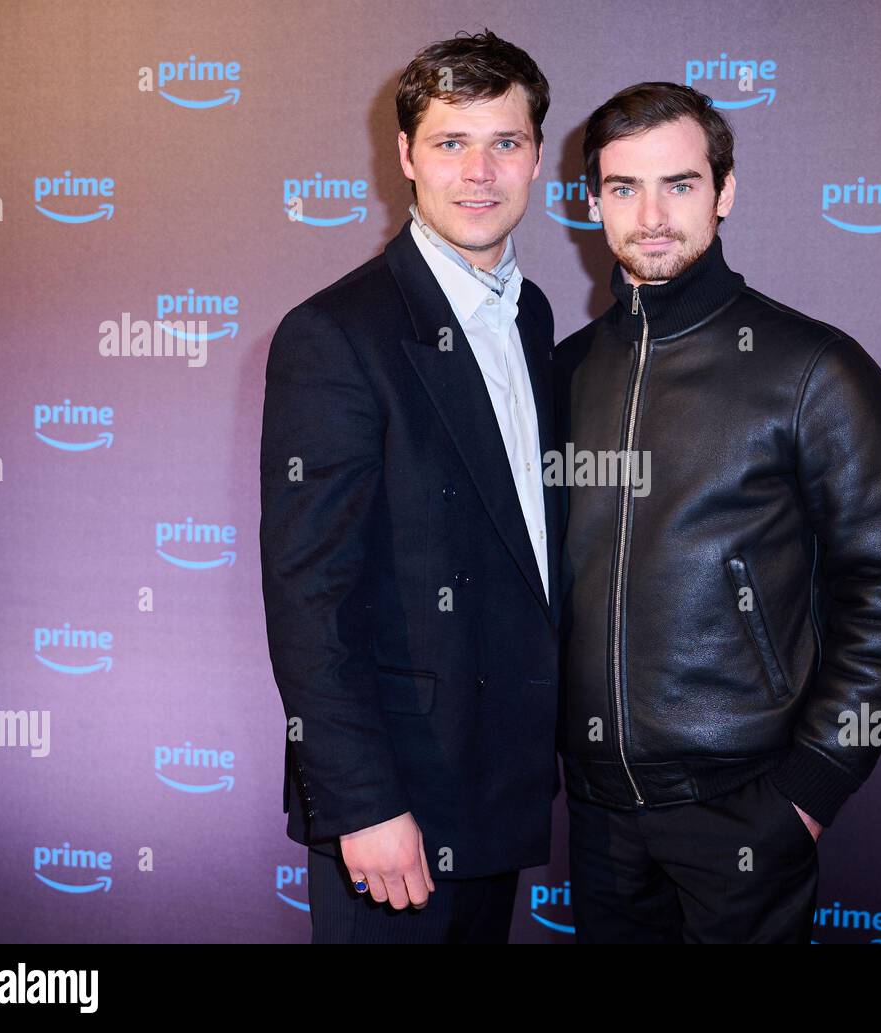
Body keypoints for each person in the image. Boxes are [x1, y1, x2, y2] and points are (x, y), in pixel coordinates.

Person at [555, 82, 881, 943]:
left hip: (745, 809)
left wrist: (813, 785)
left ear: (725, 191)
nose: (651, 214)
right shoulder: (564, 373)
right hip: (596, 814)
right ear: (592, 202)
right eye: (624, 188)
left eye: (680, 184)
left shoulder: (813, 369)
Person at [259, 30, 558, 943]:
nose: (480, 171)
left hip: (503, 782)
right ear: (404, 157)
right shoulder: (334, 334)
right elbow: (310, 595)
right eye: (449, 142)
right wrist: (363, 804)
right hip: (398, 807)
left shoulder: (534, 312)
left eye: (504, 142)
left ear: (537, 157)